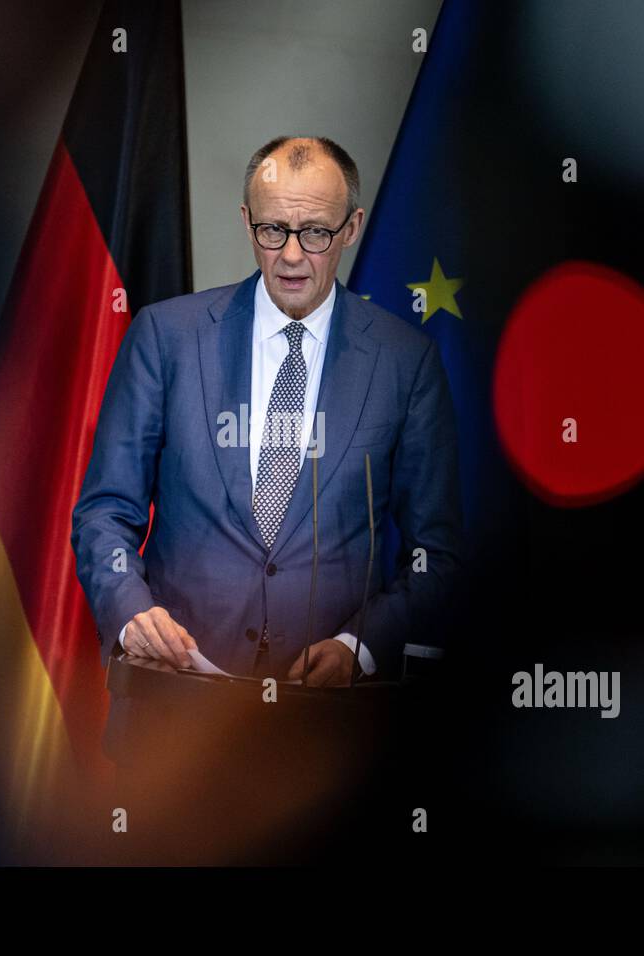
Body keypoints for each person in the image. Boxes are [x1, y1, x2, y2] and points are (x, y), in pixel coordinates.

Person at [71, 135, 462, 689]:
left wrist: (361, 645)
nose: (293, 255)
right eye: (273, 230)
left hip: (324, 724)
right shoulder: (164, 337)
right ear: (247, 221)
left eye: (317, 233)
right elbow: (104, 512)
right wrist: (131, 612)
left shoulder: (407, 362)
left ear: (351, 228)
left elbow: (436, 555)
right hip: (173, 705)